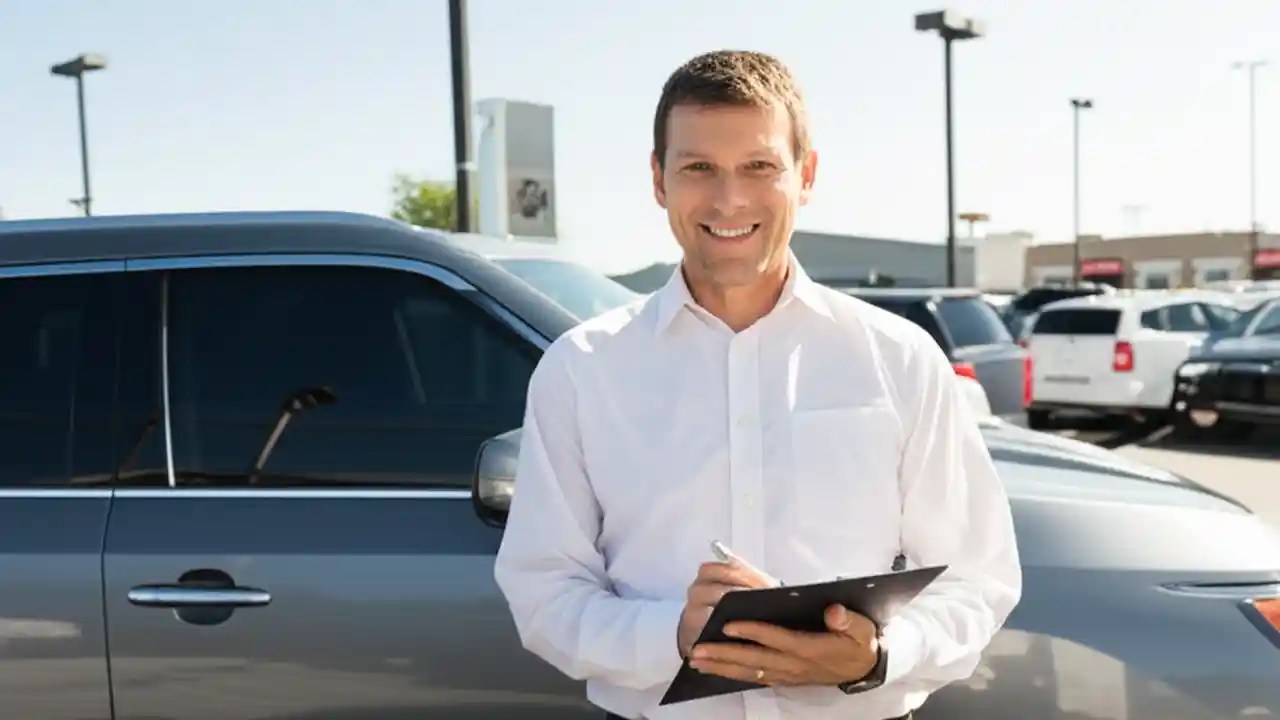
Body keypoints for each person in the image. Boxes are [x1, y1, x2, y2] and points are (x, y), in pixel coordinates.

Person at [494, 49, 1021, 720]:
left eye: (759, 167)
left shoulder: (901, 359)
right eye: (698, 168)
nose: (729, 199)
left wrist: (877, 653)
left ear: (806, 175)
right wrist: (673, 637)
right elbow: (544, 593)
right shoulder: (582, 369)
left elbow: (977, 578)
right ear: (659, 180)